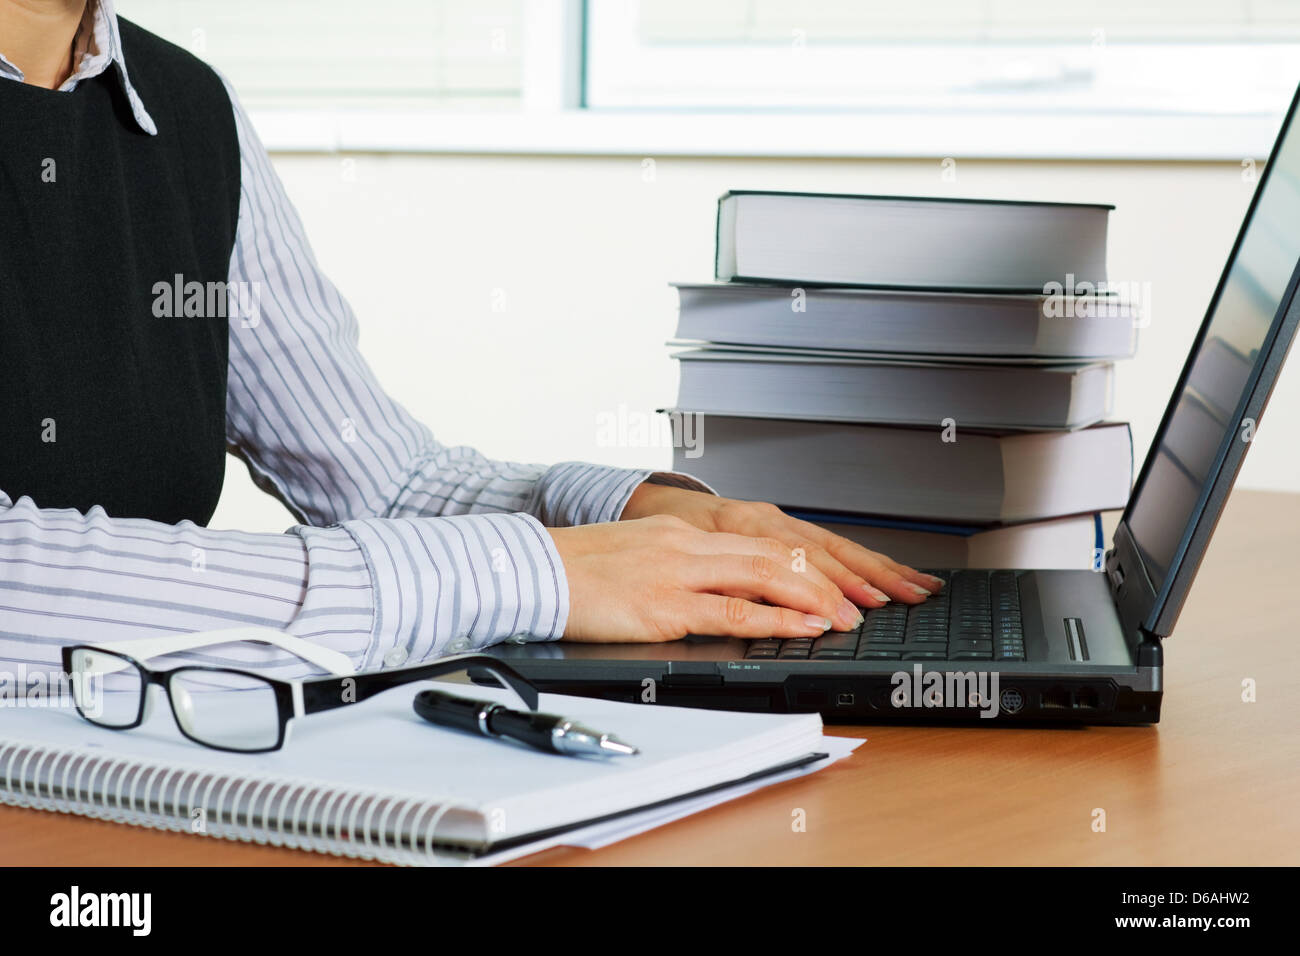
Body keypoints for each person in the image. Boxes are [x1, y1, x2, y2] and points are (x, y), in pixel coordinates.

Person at [0, 0, 941, 680]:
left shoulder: (185, 110)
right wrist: (532, 575)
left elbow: (382, 481)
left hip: (130, 761)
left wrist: (628, 515)